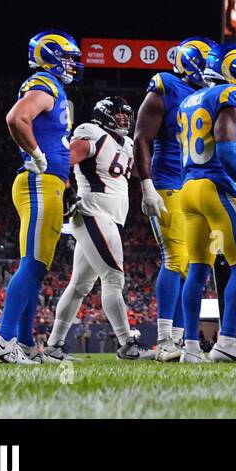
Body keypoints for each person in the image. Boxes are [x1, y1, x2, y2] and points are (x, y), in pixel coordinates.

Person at [177, 45, 236, 362]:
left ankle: (190, 347)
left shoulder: (190, 99)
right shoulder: (228, 94)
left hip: (188, 188)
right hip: (214, 187)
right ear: (234, 70)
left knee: (196, 269)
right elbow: (227, 152)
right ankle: (227, 343)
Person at [0, 31, 83, 364]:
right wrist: (38, 155)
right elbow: (17, 117)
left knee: (37, 265)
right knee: (32, 264)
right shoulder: (45, 83)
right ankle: (3, 341)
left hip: (49, 184)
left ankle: (27, 343)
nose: (73, 64)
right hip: (38, 182)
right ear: (51, 55)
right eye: (68, 57)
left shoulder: (51, 86)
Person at [44, 97, 150, 361]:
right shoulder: (91, 132)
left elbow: (140, 169)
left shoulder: (126, 143)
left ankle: (53, 345)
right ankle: (127, 344)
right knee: (113, 278)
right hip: (92, 211)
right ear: (103, 115)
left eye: (127, 115)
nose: (124, 119)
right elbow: (63, 160)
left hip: (109, 217)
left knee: (80, 285)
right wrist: (66, 192)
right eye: (118, 114)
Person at [133, 37, 215, 362]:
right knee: (175, 259)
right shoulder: (165, 87)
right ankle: (165, 339)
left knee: (194, 264)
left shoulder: (204, 96)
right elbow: (141, 138)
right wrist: (147, 186)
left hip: (193, 186)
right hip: (166, 183)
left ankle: (179, 341)